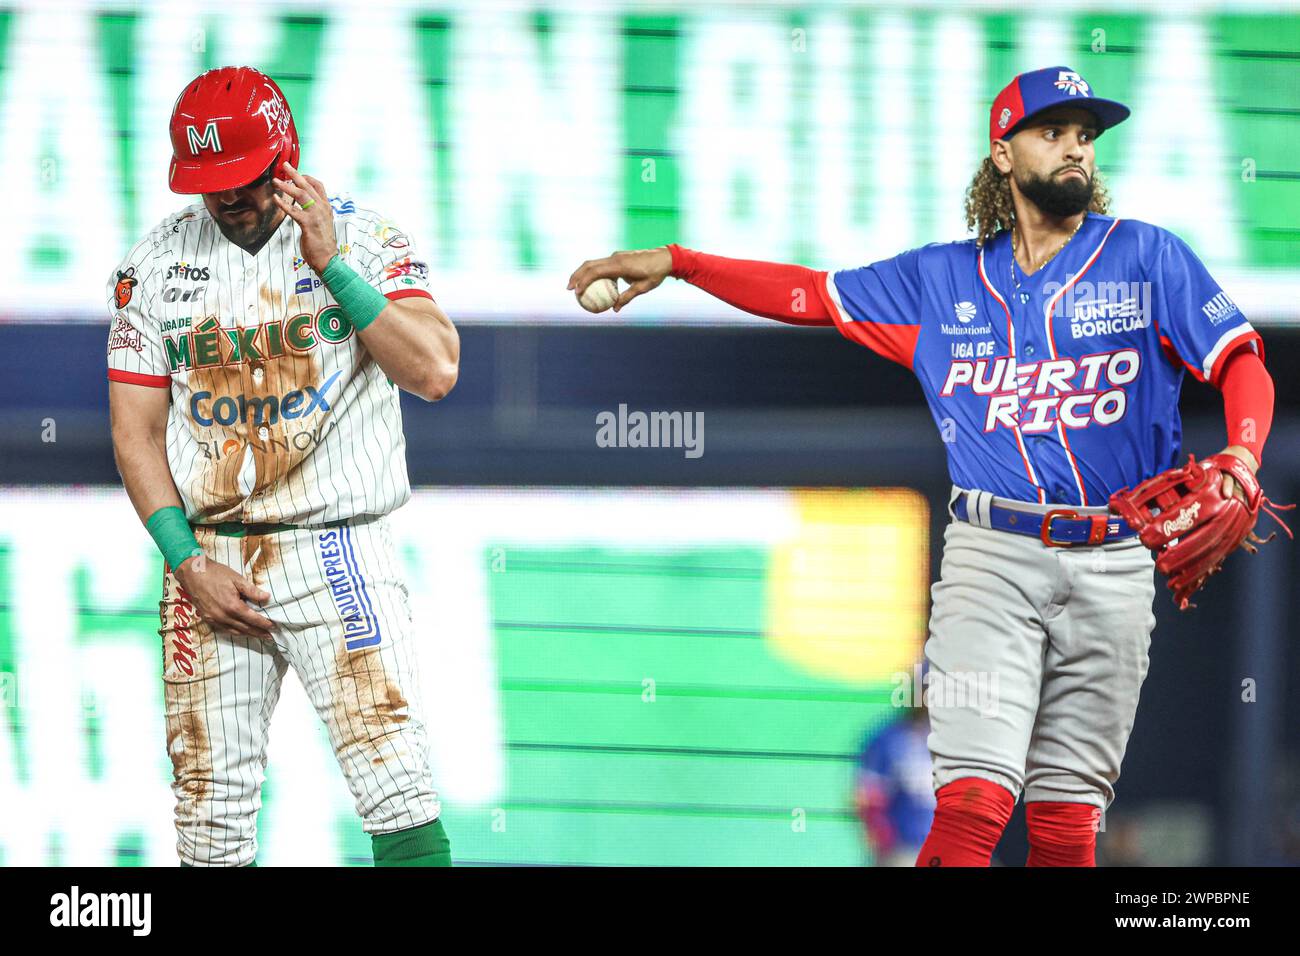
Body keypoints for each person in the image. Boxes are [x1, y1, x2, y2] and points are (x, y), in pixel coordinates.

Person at [568, 65, 1275, 867]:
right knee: (973, 803)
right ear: (1002, 155)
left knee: (1067, 827)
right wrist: (683, 263)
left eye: (1085, 136)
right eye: (1053, 133)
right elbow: (809, 294)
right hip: (992, 556)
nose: (1076, 150)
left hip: (1115, 558)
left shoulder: (1148, 257)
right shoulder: (939, 281)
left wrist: (1244, 454)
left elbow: (1242, 359)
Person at [107, 66, 460, 866]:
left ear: (285, 155)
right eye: (208, 182)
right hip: (208, 559)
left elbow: (436, 371)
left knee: (397, 788)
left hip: (337, 545)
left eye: (241, 176)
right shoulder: (154, 267)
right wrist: (186, 563)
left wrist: (334, 268)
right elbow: (136, 433)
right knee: (208, 822)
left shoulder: (366, 240)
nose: (226, 197)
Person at [854, 701, 936, 867]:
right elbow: (867, 796)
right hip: (903, 849)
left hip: (949, 847)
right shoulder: (890, 739)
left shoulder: (954, 740)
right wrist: (882, 837)